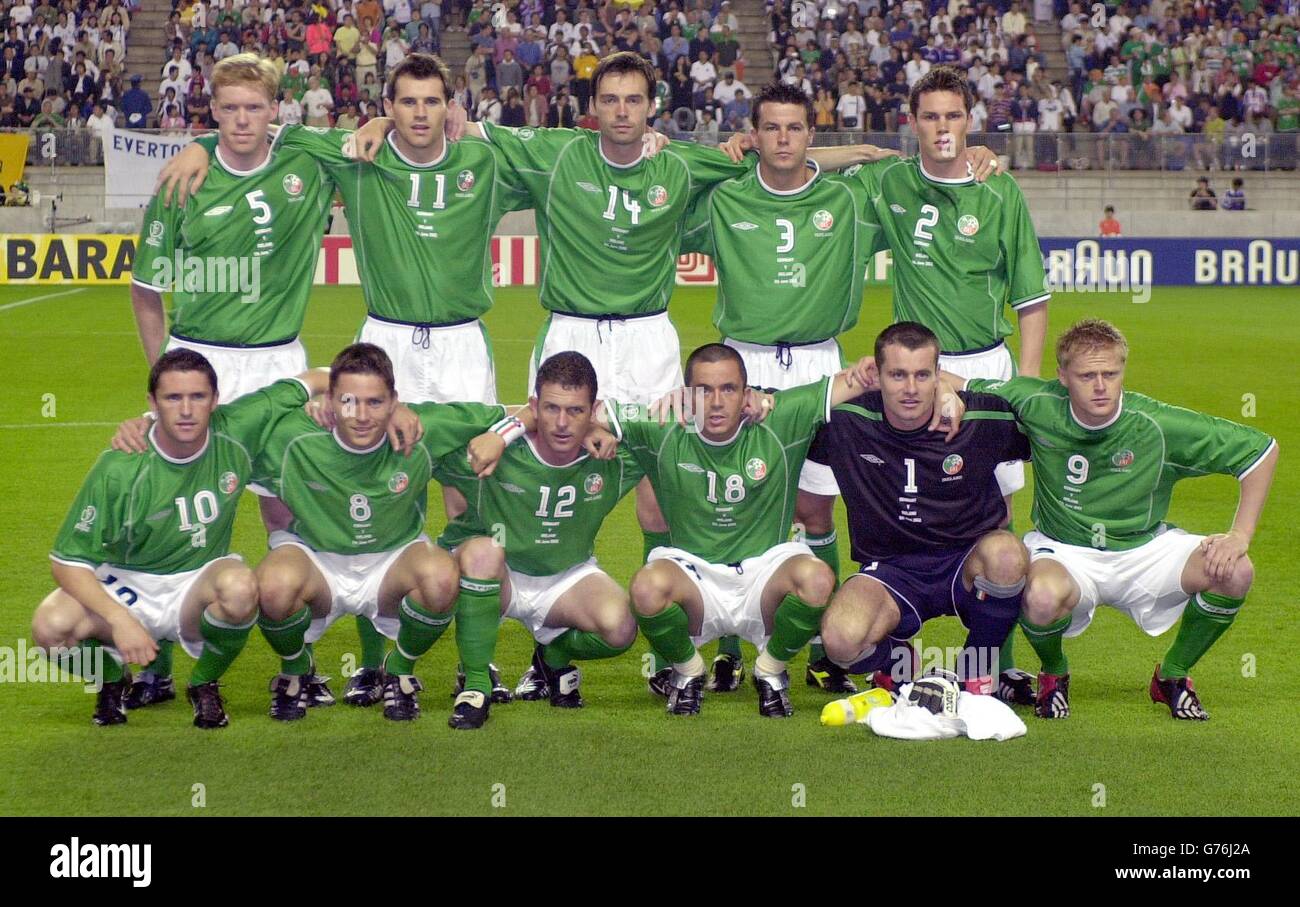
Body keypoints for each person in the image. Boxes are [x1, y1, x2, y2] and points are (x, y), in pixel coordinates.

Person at [157, 53, 532, 705]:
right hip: (384, 339)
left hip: (462, 346)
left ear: (451, 104)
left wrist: (651, 139)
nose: (420, 113)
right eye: (405, 102)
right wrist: (196, 144)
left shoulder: (485, 162)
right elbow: (259, 126)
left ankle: (479, 665)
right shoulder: (356, 154)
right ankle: (369, 661)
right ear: (389, 105)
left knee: (471, 495)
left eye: (432, 101)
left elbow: (565, 159)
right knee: (376, 490)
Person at [129, 53, 344, 701]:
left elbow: (384, 139)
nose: (242, 120)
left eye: (255, 107)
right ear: (212, 110)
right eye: (228, 109)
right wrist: (163, 377)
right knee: (171, 515)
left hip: (280, 361)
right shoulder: (181, 182)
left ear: (276, 110)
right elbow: (145, 290)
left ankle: (298, 669)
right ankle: (156, 666)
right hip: (199, 362)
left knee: (287, 512)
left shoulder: (308, 160)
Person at [621, 342, 963, 717]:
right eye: (703, 390)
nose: (716, 402)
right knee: (644, 587)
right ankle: (689, 672)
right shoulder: (662, 424)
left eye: (728, 389)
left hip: (761, 581)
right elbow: (588, 415)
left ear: (748, 393)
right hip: (695, 581)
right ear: (686, 394)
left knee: (817, 579)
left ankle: (770, 671)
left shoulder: (781, 417)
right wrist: (597, 433)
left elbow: (866, 374)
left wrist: (944, 387)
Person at [961, 320, 1278, 720]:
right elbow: (959, 384)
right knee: (1040, 596)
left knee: (1236, 571)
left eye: (1110, 374)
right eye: (1087, 375)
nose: (1100, 386)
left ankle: (1172, 675)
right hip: (1064, 551)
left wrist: (1239, 534)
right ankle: (1054, 673)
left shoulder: (1157, 425)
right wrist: (945, 394)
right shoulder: (1036, 401)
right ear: (1062, 377)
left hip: (1145, 550)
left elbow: (1261, 450)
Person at [35, 350, 330, 728]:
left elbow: (322, 375)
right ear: (152, 404)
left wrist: (335, 403)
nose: (187, 410)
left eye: (198, 397)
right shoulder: (120, 467)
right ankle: (112, 680)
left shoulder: (238, 427)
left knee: (240, 588)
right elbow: (67, 563)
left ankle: (203, 683)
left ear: (216, 400)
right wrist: (118, 619)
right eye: (173, 398)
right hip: (129, 583)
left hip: (197, 582)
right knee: (50, 627)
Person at [249, 344, 521, 723]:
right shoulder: (291, 435)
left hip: (393, 559)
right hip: (317, 560)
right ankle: (295, 671)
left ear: (395, 401)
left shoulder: (423, 428)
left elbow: (524, 412)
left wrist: (503, 435)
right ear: (329, 398)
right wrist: (146, 424)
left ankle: (400, 670)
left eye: (375, 403)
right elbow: (214, 429)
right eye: (348, 401)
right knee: (271, 586)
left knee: (441, 577)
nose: (361, 416)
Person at [813, 323, 1031, 693]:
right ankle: (900, 662)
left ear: (938, 375)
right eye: (897, 375)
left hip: (965, 559)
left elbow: (1049, 421)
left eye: (922, 375)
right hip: (891, 570)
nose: (911, 389)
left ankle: (974, 672)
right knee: (840, 640)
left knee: (1008, 555)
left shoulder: (981, 418)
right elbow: (772, 411)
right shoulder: (847, 423)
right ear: (876, 375)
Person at [433, 352, 635, 727]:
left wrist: (612, 425)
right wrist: (505, 431)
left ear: (595, 411)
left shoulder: (614, 458)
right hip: (501, 574)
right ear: (533, 406)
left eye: (575, 411)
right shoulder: (494, 449)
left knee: (621, 627)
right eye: (550, 409)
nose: (561, 423)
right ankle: (476, 684)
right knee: (481, 553)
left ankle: (552, 657)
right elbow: (429, 425)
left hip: (565, 579)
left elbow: (683, 420)